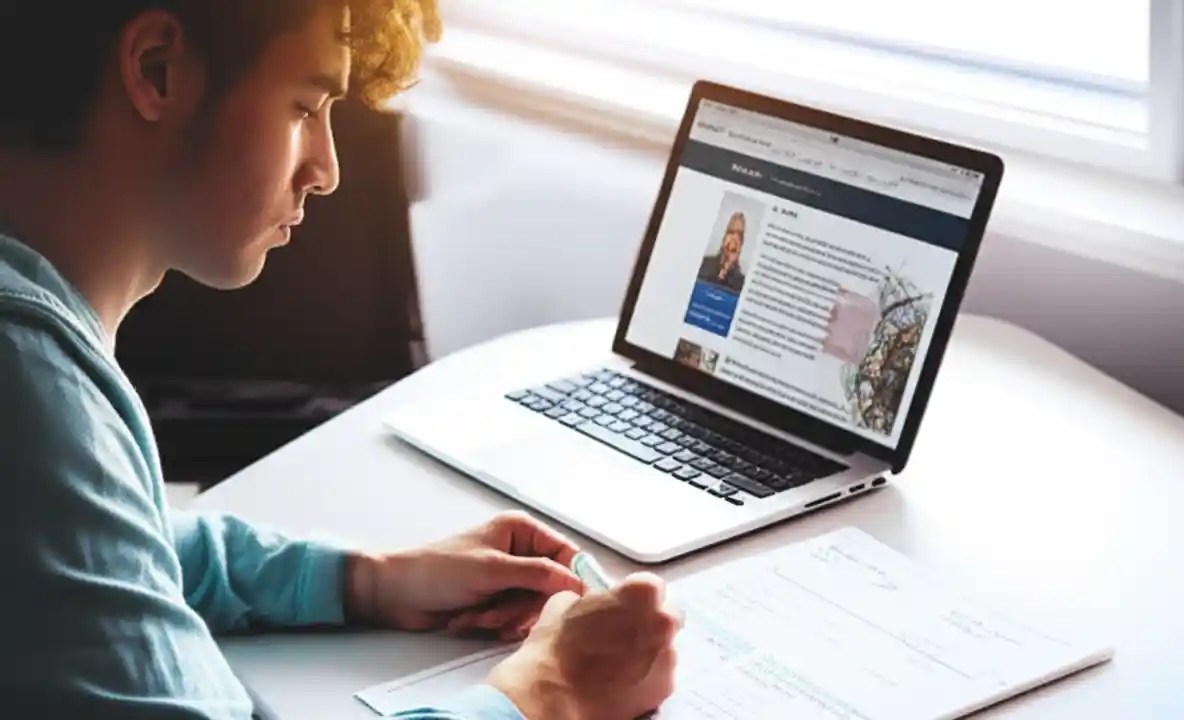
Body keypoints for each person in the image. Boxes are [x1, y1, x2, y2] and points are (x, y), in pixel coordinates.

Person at [0, 2, 681, 718]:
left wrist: (368, 580)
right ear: (157, 70)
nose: (325, 170)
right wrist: (552, 688)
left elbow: (119, 541)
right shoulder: (31, 394)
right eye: (304, 108)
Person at [696, 210, 748, 293]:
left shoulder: (742, 282)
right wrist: (722, 272)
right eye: (731, 232)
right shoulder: (704, 263)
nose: (734, 238)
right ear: (724, 237)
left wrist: (728, 267)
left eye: (739, 235)